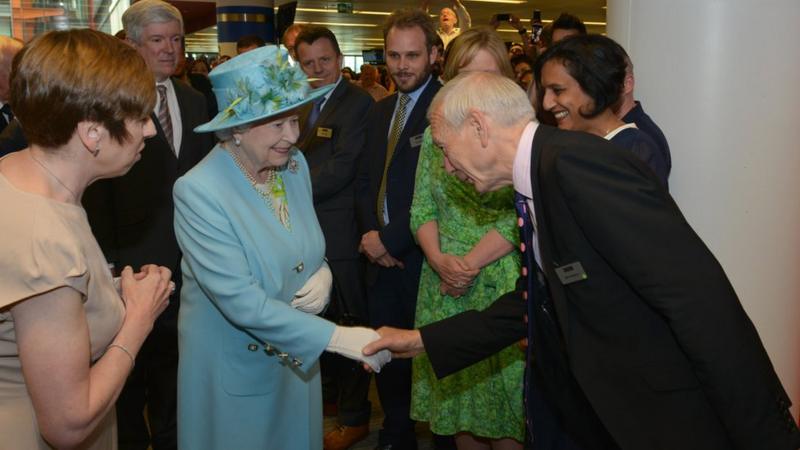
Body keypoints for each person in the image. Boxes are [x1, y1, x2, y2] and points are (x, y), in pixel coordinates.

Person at [363, 71, 800, 450]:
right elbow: (533, 300)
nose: (444, 164)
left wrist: (762, 430)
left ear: (478, 126)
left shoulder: (575, 168)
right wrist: (419, 340)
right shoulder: (538, 179)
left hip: (673, 414)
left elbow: (695, 294)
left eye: (442, 147)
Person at [173, 45, 390, 450]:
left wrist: (321, 270)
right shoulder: (199, 192)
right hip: (237, 368)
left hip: (293, 362)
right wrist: (337, 338)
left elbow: (303, 242)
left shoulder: (292, 166)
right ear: (236, 128)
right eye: (277, 125)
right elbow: (240, 302)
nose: (292, 136)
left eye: (295, 119)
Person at [0, 28, 173, 450]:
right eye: (139, 117)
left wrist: (104, 291)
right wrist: (138, 317)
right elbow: (68, 423)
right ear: (92, 134)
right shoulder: (45, 234)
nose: (150, 131)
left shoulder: (19, 172)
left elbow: (41, 299)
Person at [80, 1, 215, 448]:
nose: (169, 50)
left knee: (177, 384)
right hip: (132, 271)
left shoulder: (198, 101)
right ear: (132, 44)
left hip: (191, 271)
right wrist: (112, 267)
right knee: (127, 387)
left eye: (176, 40)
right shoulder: (109, 104)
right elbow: (98, 194)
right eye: (157, 40)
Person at [410, 27, 525, 450]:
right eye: (464, 79)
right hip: (443, 283)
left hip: (501, 281)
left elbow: (523, 216)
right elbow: (421, 206)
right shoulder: (436, 137)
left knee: (508, 410)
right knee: (460, 412)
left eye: (489, 79)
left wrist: (470, 264)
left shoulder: (517, 143)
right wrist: (439, 258)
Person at [355, 8, 441, 450]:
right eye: (394, 55)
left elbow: (438, 193)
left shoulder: (445, 108)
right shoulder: (380, 109)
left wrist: (391, 241)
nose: (402, 65)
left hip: (424, 259)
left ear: (433, 54)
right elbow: (365, 180)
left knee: (427, 352)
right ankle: (396, 431)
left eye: (412, 55)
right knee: (384, 350)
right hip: (378, 258)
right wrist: (372, 238)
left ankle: (436, 434)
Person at [294, 25, 376, 450]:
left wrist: (287, 187)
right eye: (308, 63)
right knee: (315, 320)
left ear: (340, 59)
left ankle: (355, 416)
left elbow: (343, 168)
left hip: (341, 234)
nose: (317, 70)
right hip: (303, 234)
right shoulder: (297, 103)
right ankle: (328, 402)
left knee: (350, 324)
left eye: (324, 60)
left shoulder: (358, 103)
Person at [535, 34, 670, 186]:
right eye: (544, 92)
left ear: (593, 88)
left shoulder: (635, 149)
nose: (546, 104)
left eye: (558, 90)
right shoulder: (568, 143)